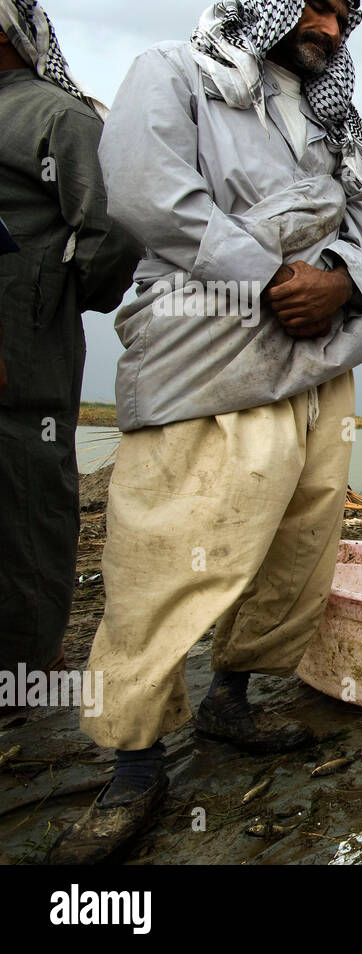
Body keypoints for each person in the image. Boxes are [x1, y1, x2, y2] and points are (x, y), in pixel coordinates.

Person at [50, 0, 362, 864]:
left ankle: (231, 697)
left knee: (298, 541)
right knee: (170, 553)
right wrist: (272, 272)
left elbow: (358, 230)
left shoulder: (330, 120)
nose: (334, 27)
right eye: (319, 5)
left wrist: (341, 285)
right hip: (207, 360)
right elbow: (149, 195)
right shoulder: (174, 73)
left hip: (317, 364)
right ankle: (133, 762)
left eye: (349, 15)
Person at [0, 0, 140, 687]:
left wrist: (43, 300)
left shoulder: (55, 115)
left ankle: (26, 667)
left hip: (20, 361)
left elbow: (113, 232)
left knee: (25, 499)